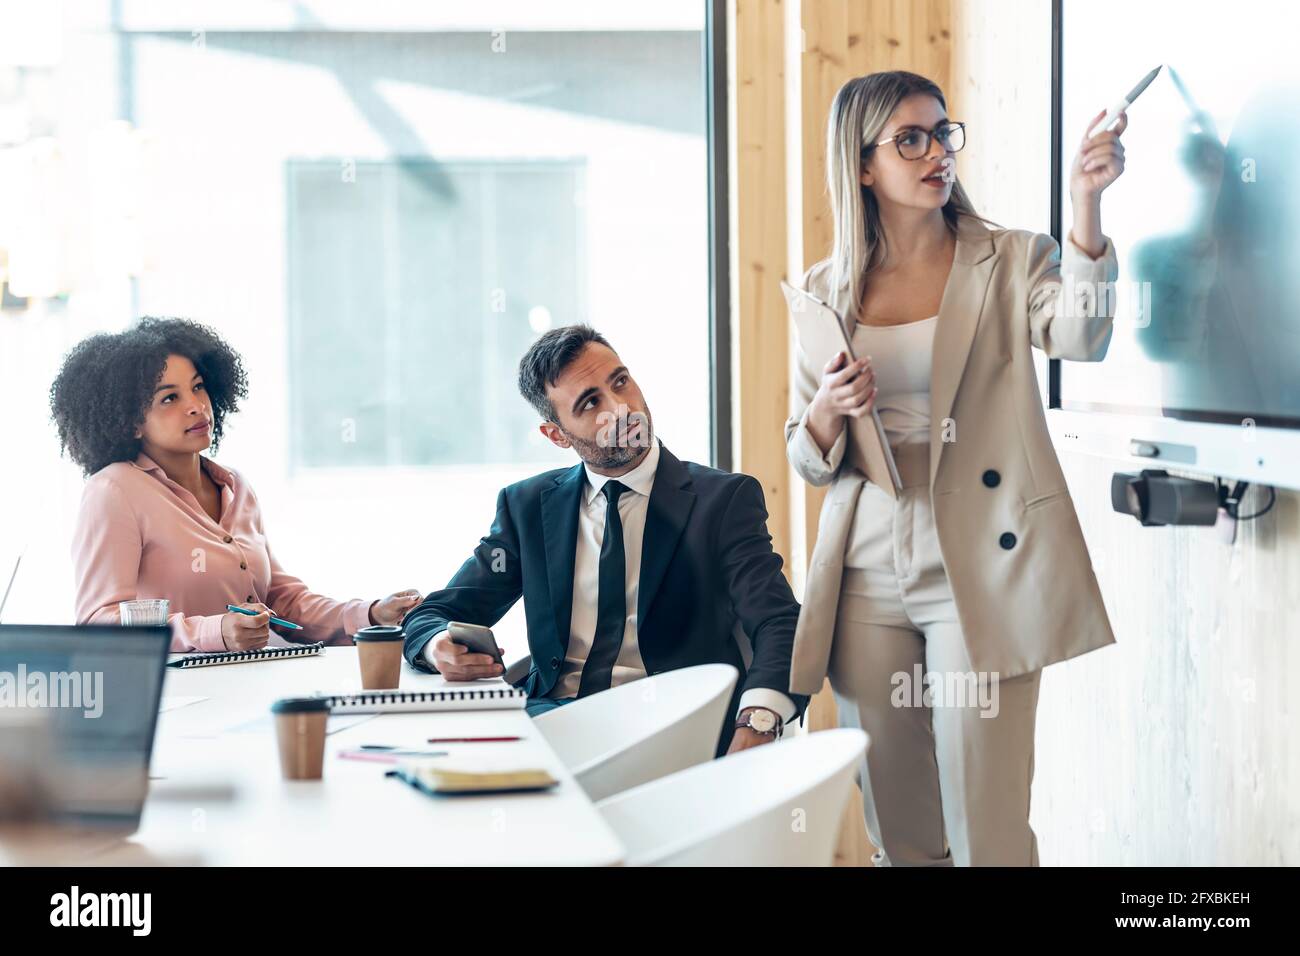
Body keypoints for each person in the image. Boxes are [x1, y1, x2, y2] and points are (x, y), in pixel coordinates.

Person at [785, 71, 1126, 865]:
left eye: (942, 133)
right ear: (862, 164)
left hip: (981, 558)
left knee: (989, 830)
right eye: (910, 139)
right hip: (867, 564)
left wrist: (1085, 206)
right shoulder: (824, 289)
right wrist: (830, 409)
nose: (937, 152)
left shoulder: (1006, 259)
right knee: (900, 833)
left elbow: (1083, 336)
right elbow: (806, 457)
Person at [402, 325, 807, 755]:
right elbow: (437, 612)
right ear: (557, 435)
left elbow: (778, 622)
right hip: (554, 723)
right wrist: (436, 645)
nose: (620, 409)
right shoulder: (527, 507)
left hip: (677, 727)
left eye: (620, 382)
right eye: (591, 402)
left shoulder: (722, 501)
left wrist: (759, 720)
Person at [52, 317, 421, 652]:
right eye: (170, 398)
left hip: (255, 688)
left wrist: (371, 614)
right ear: (130, 422)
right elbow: (100, 625)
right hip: (178, 703)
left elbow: (282, 602)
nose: (197, 406)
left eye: (198, 387)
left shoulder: (236, 487)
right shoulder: (114, 491)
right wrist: (216, 632)